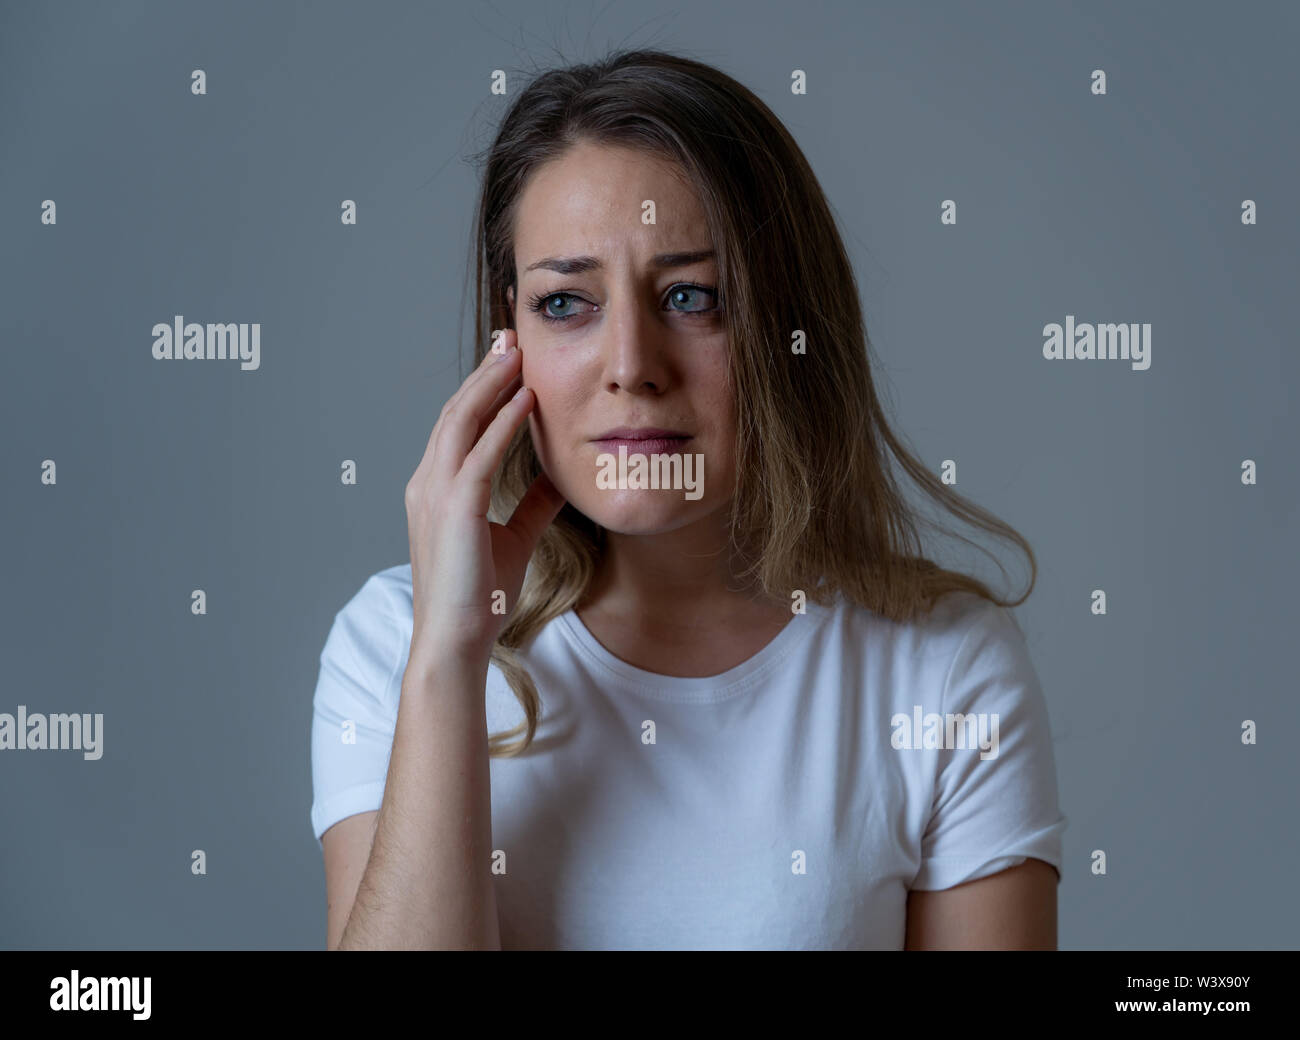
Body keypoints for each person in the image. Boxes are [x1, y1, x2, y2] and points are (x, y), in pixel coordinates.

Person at [310, 48, 1067, 950]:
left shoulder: (942, 671)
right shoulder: (391, 645)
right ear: (504, 338)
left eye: (690, 296)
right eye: (565, 304)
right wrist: (448, 657)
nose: (631, 366)